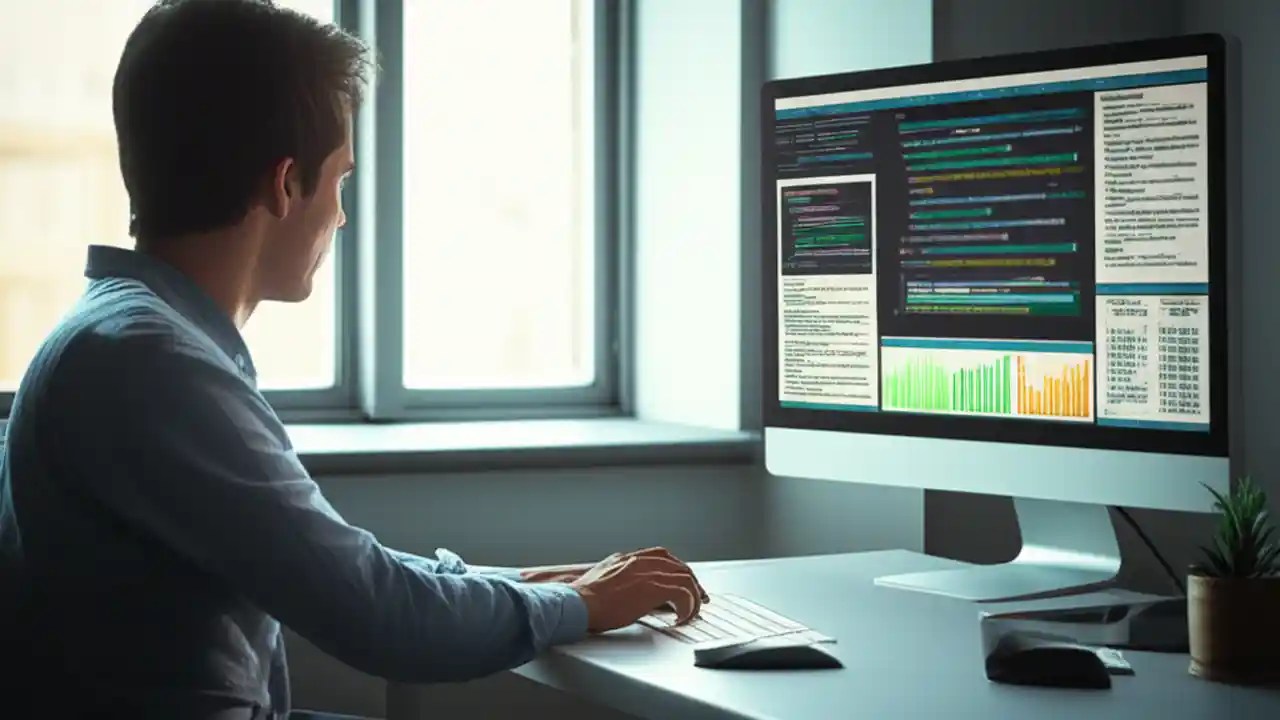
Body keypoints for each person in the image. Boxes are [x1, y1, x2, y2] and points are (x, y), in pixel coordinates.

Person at [0, 1, 705, 717]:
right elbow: (380, 617)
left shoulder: (123, 335)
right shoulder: (155, 368)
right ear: (283, 184)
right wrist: (574, 606)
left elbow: (341, 570)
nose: (339, 213)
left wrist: (541, 588)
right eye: (339, 179)